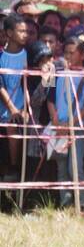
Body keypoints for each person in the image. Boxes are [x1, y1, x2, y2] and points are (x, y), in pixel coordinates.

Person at [50, 33, 84, 210]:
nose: (68, 56)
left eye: (72, 52)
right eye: (66, 52)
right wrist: (55, 120)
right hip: (59, 124)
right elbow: (50, 99)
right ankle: (65, 202)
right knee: (61, 164)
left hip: (78, 126)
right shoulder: (58, 73)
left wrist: (72, 123)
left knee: (75, 164)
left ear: (82, 55)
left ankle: (81, 201)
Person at [0, 14, 30, 190]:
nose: (25, 34)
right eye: (21, 31)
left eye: (26, 31)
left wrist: (23, 109)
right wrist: (11, 108)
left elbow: (32, 85)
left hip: (21, 112)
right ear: (9, 33)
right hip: (6, 110)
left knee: (16, 147)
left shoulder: (29, 55)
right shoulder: (1, 57)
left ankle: (14, 169)